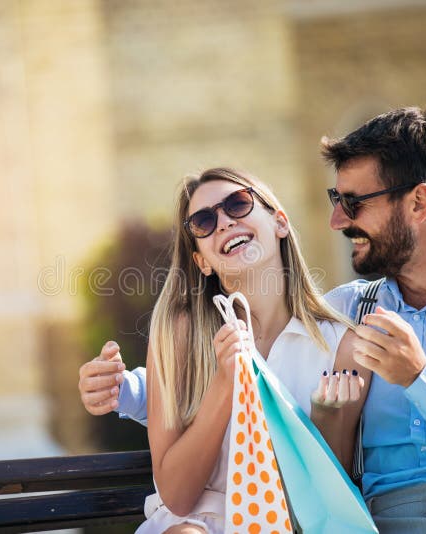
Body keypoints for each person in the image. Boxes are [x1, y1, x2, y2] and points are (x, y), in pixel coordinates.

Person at [78, 107, 426, 533]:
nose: (337, 221)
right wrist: (125, 390)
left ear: (418, 202)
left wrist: (419, 378)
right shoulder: (344, 313)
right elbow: (258, 370)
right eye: (334, 201)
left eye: (353, 203)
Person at [121, 167, 365, 534]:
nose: (222, 222)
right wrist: (224, 383)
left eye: (237, 204)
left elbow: (325, 502)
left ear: (279, 222)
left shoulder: (341, 346)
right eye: (203, 221)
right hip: (194, 522)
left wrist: (328, 417)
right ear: (201, 261)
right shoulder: (179, 332)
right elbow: (177, 496)